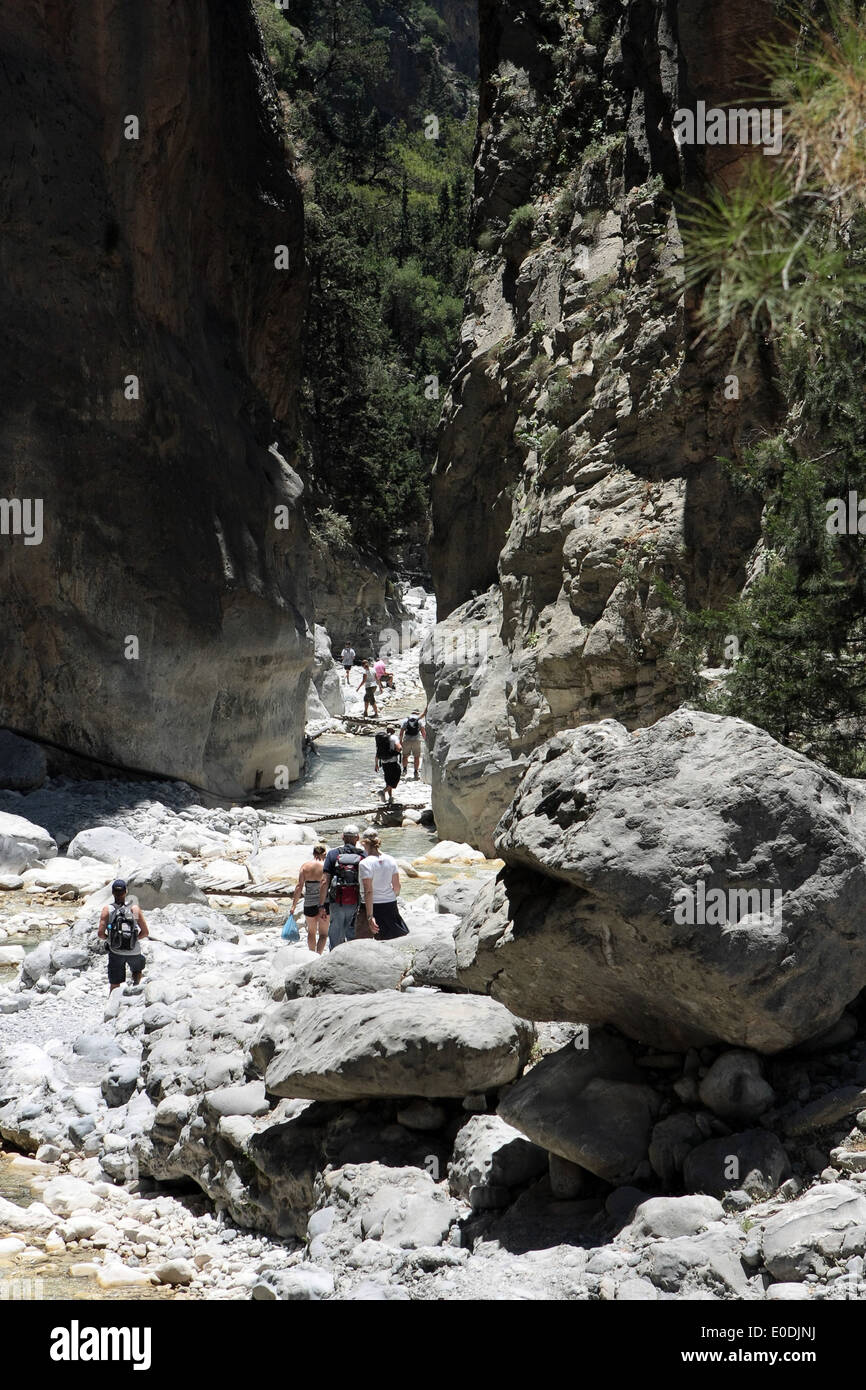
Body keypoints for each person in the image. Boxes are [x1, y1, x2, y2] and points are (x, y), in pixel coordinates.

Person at [97, 879, 149, 996]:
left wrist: (111, 939)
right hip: (134, 951)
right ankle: (136, 990)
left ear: (113, 893)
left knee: (115, 983)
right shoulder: (134, 909)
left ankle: (112, 1006)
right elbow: (145, 932)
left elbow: (100, 934)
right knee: (137, 970)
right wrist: (133, 939)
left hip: (116, 952)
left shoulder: (108, 910)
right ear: (126, 892)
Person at [359, 831, 408, 941]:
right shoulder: (391, 859)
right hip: (390, 904)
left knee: (368, 940)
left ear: (363, 843)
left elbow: (368, 891)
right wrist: (391, 896)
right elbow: (397, 886)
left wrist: (370, 916)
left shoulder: (365, 863)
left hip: (372, 906)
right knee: (395, 938)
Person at [322, 825, 363, 950]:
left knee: (336, 932)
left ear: (342, 837)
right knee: (353, 932)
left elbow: (324, 881)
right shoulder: (363, 855)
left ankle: (335, 957)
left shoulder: (333, 854)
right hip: (357, 901)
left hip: (336, 901)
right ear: (358, 838)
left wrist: (321, 904)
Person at [291, 842, 329, 954]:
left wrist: (293, 905)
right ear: (324, 854)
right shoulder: (326, 866)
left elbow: (299, 886)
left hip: (309, 903)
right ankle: (318, 955)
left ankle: (311, 954)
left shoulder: (305, 866)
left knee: (311, 932)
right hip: (324, 903)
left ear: (313, 853)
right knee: (323, 934)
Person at [375, 724, 402, 804]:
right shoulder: (394, 737)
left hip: (384, 763)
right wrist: (395, 753)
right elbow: (399, 748)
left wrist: (376, 764)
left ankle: (390, 798)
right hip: (393, 762)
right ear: (393, 730)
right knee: (395, 780)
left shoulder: (381, 739)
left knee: (388, 780)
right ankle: (383, 792)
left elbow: (378, 753)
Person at [400, 710, 426, 779]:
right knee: (416, 757)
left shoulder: (406, 720)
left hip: (406, 740)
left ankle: (405, 770)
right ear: (417, 714)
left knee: (405, 756)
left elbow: (401, 732)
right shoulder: (419, 720)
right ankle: (416, 772)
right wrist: (426, 740)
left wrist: (400, 742)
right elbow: (423, 732)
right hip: (416, 740)